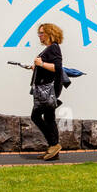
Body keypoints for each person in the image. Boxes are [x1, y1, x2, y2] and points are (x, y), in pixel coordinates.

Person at [30, 23, 66, 160]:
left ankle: (54, 144)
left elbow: (57, 67)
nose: (39, 36)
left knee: (36, 116)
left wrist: (41, 64)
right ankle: (53, 151)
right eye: (38, 33)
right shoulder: (49, 48)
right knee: (49, 118)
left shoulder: (54, 48)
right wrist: (36, 67)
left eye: (41, 33)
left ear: (50, 33)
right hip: (47, 89)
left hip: (49, 90)